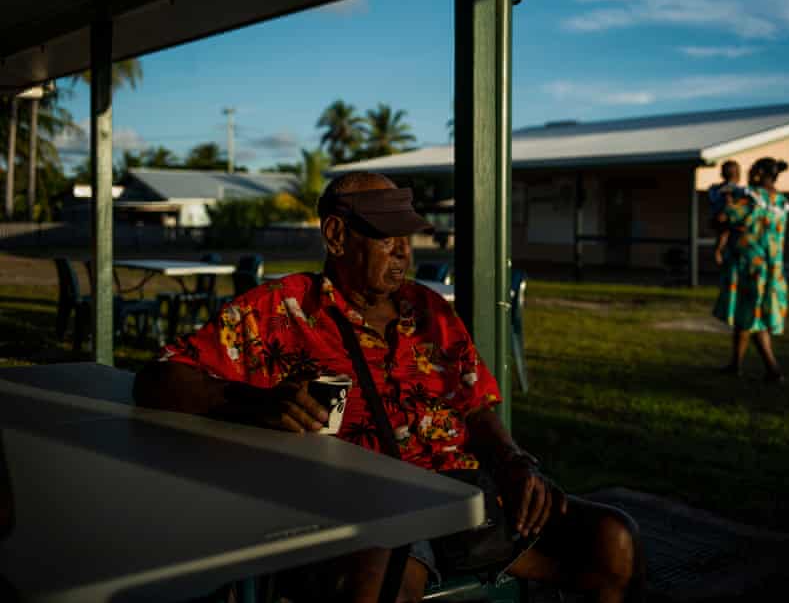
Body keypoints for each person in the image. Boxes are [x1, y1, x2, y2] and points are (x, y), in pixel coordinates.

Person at [134, 171, 643, 603]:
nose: (404, 251)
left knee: (613, 539)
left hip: (461, 496)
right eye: (387, 236)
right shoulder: (282, 310)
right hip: (358, 507)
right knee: (385, 577)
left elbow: (474, 408)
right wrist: (257, 401)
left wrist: (513, 461)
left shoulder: (431, 313)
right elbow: (159, 378)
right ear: (336, 236)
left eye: (409, 236)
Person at [712, 158, 789, 383]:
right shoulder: (781, 201)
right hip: (772, 267)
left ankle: (773, 370)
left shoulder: (751, 198)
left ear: (758, 173)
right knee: (745, 317)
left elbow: (723, 219)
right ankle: (735, 364)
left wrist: (726, 198)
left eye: (751, 169)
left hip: (750, 267)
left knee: (753, 318)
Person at [708, 160, 746, 267]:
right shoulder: (738, 190)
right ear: (738, 175)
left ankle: (719, 255)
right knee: (727, 239)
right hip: (727, 218)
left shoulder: (715, 189)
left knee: (722, 240)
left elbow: (713, 199)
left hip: (720, 218)